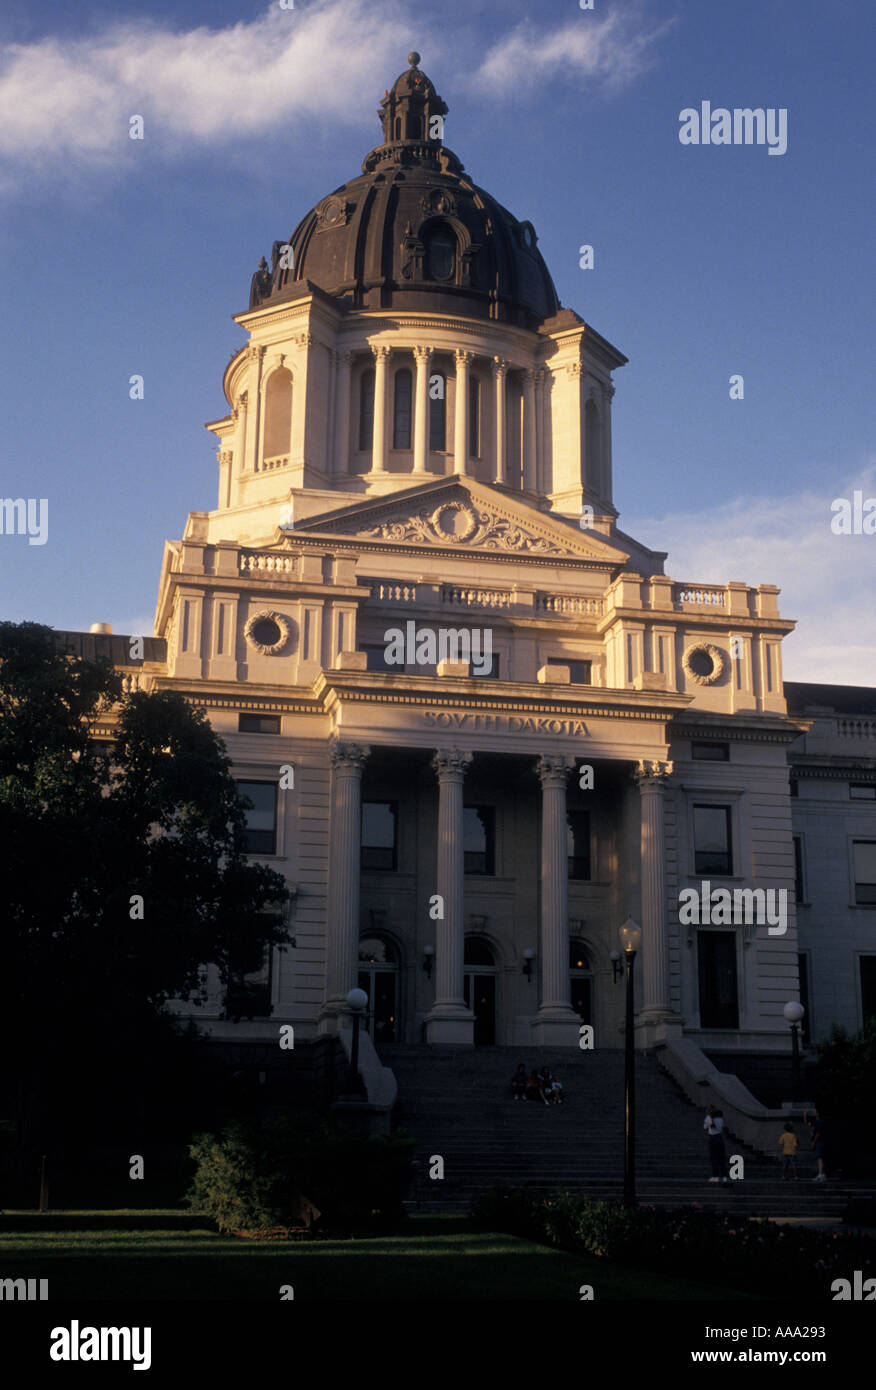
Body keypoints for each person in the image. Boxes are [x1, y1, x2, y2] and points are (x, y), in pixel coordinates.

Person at [704, 1105, 727, 1182]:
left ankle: (715, 1176)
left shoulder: (709, 1118)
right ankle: (724, 1176)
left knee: (713, 1157)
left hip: (712, 1138)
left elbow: (705, 1127)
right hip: (719, 1138)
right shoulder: (720, 1119)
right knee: (721, 1158)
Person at [805, 1108, 827, 1182]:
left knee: (820, 1158)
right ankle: (822, 1174)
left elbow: (818, 1134)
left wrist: (814, 1142)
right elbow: (807, 1123)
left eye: (815, 1112)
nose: (814, 1112)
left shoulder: (819, 1122)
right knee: (820, 1158)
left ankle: (821, 1174)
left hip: (819, 1142)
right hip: (819, 1142)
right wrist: (805, 1114)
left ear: (818, 1114)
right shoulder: (816, 1122)